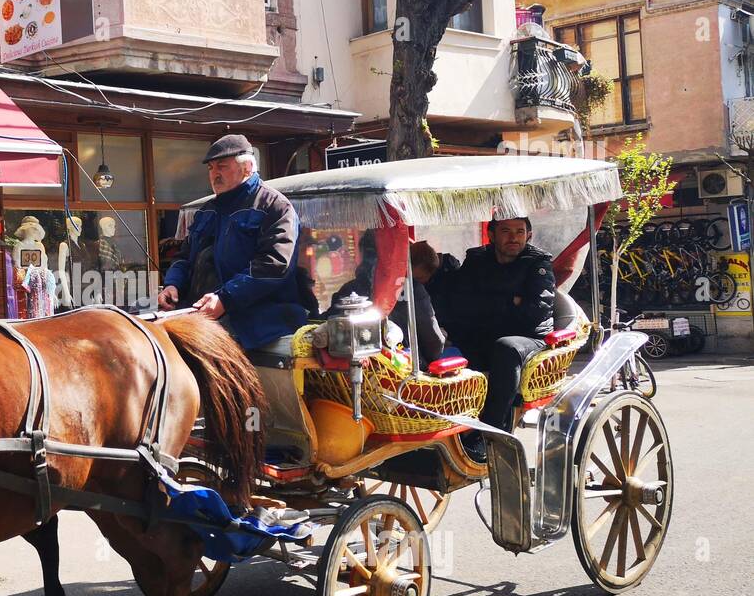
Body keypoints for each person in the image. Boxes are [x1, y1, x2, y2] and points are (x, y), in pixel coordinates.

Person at [157, 134, 315, 350]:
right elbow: (184, 256)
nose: (214, 174)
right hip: (201, 312)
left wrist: (225, 299)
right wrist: (172, 284)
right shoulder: (207, 211)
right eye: (211, 168)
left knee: (194, 352)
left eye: (222, 166)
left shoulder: (275, 207)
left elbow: (274, 264)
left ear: (247, 168)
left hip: (256, 319)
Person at [444, 217, 556, 461]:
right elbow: (459, 303)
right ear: (492, 234)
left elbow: (536, 311)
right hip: (485, 331)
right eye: (506, 231)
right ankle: (451, 425)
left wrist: (486, 302)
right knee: (450, 349)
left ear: (529, 235)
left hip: (530, 339)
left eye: (519, 231)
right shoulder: (476, 259)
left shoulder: (539, 263)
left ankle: (490, 432)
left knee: (505, 347)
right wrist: (510, 300)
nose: (513, 237)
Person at [329, 231, 445, 363]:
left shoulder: (348, 290)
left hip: (354, 367)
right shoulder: (412, 289)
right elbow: (433, 342)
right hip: (402, 366)